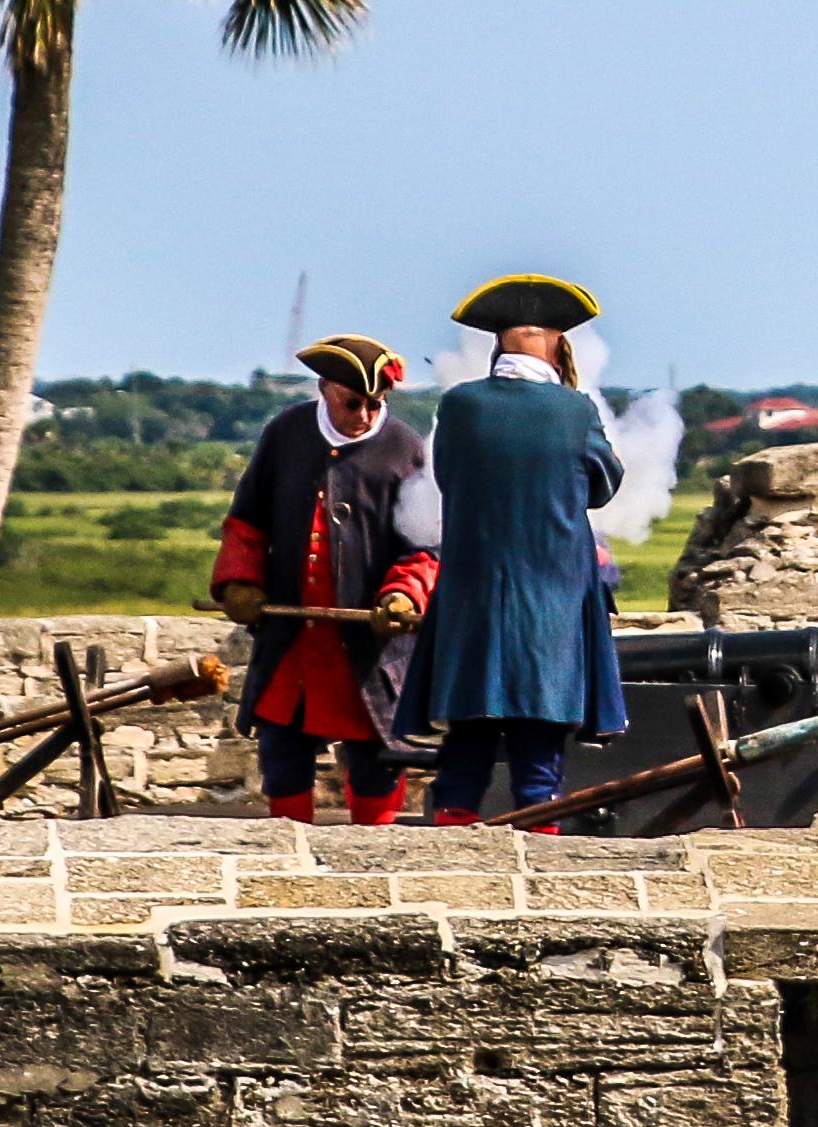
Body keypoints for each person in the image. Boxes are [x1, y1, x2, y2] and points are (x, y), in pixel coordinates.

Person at [401, 275, 628, 830]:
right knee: (538, 761)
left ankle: (448, 862)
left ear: (500, 343)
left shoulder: (458, 406)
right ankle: (538, 871)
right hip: (551, 606)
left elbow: (448, 477)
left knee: (465, 752)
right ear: (555, 341)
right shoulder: (575, 410)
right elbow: (603, 485)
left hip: (473, 601)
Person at [212, 335, 442, 824]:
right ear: (325, 388)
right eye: (351, 403)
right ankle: (285, 851)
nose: (363, 415)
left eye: (374, 404)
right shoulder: (287, 433)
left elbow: (424, 544)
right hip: (294, 638)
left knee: (376, 763)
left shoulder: (406, 447)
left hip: (367, 645)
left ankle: (375, 856)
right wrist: (240, 581)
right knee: (283, 755)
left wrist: (403, 593)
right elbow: (247, 520)